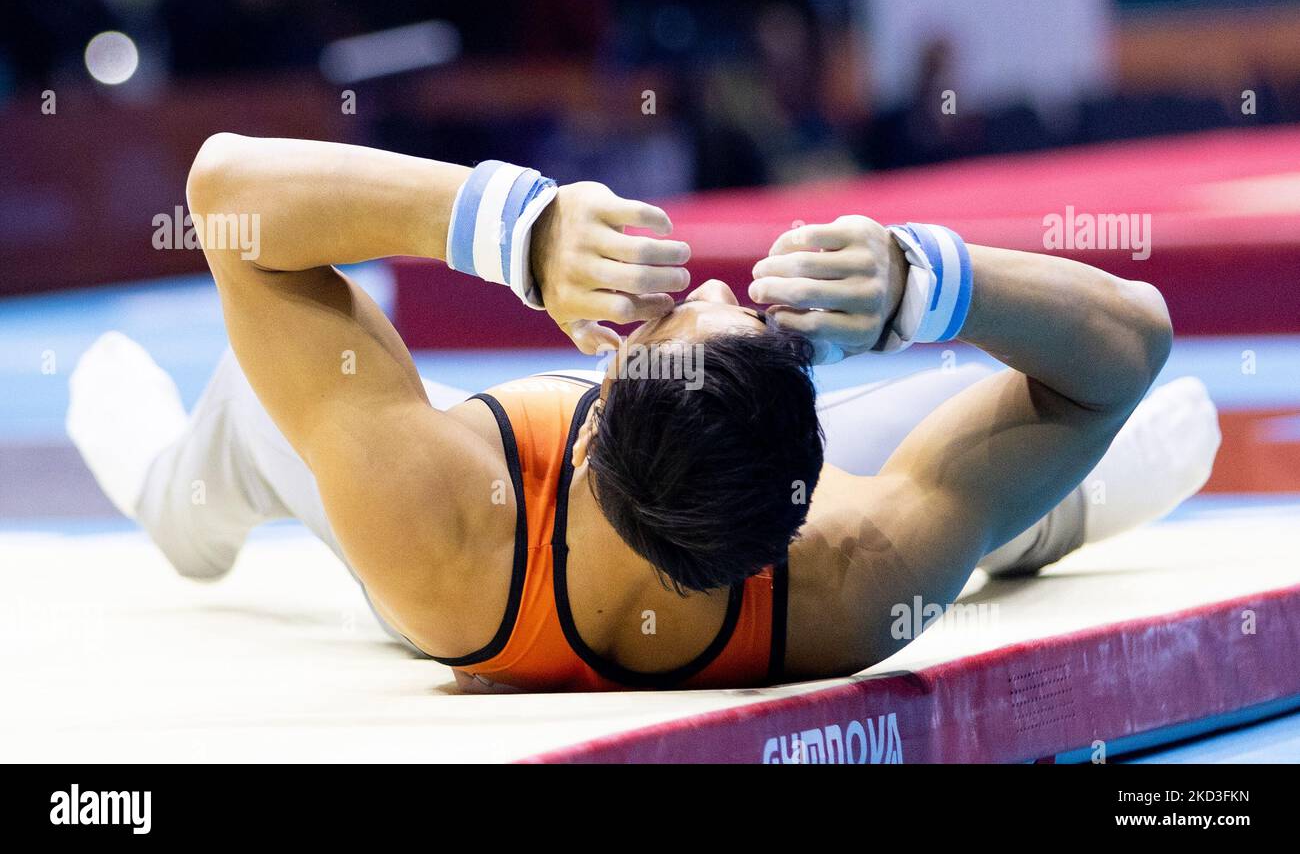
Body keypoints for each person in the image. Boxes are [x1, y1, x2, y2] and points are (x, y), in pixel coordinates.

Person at [68, 135, 1219, 692]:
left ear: (605, 373)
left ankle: (165, 490)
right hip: (745, 541)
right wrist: (927, 282)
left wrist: (511, 224)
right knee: (966, 470)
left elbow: (223, 193)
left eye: (688, 311)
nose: (711, 283)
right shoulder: (852, 572)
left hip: (473, 575)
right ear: (804, 477)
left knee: (248, 430)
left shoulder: (437, 519)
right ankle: (1064, 505)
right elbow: (1128, 343)